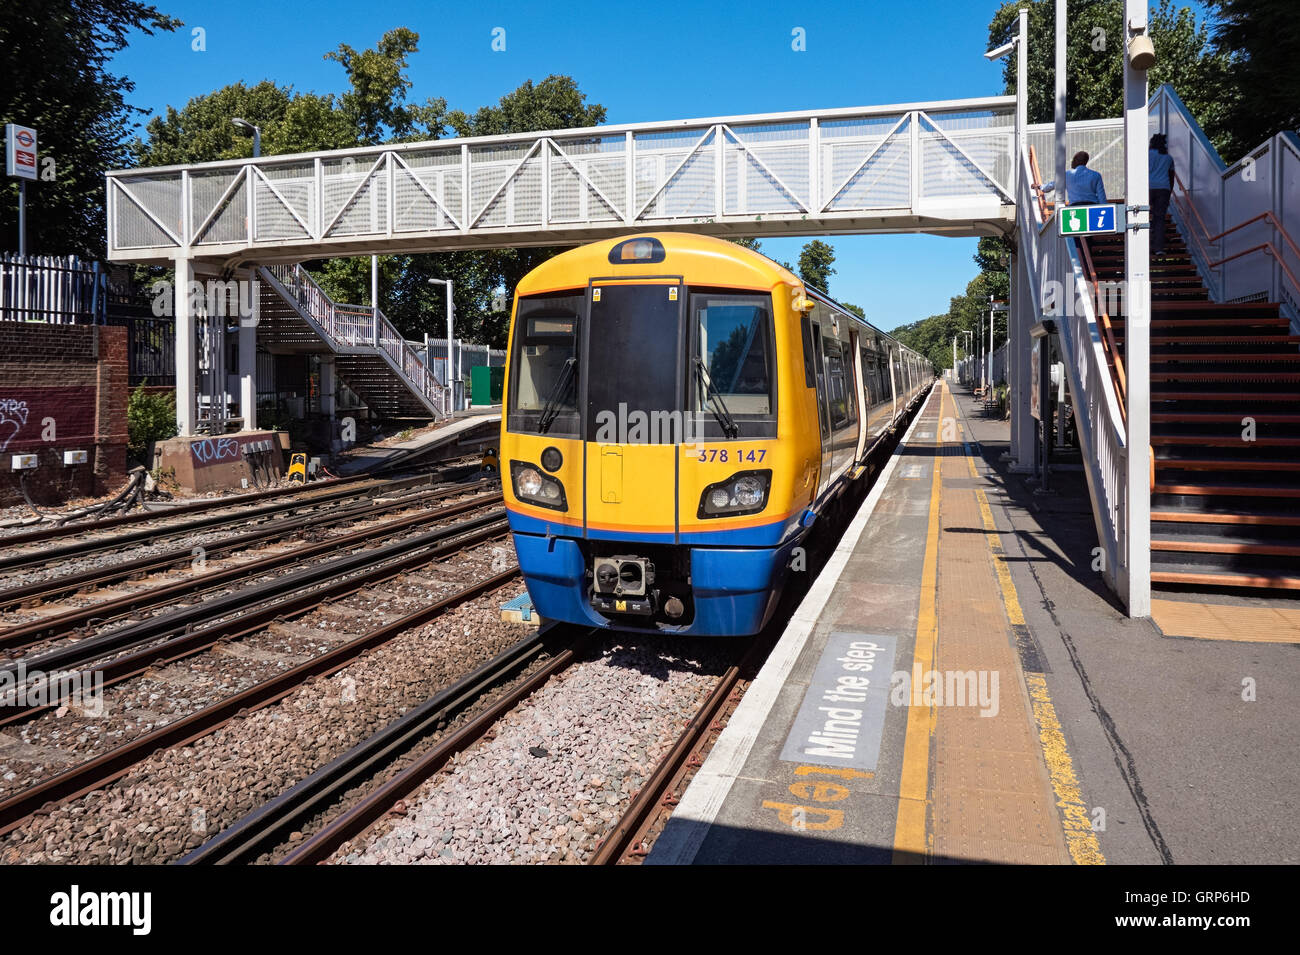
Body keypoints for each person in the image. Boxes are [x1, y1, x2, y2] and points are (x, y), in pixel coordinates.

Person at [1037, 151, 1107, 205]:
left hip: (1075, 207)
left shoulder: (1067, 175)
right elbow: (1102, 198)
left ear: (1076, 160)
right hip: (1092, 207)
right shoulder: (1096, 175)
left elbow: (1051, 186)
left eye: (1073, 159)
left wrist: (1040, 187)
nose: (1072, 162)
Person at [1149, 134, 1175, 256]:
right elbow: (1171, 177)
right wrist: (1169, 192)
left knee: (1142, 216)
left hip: (1147, 188)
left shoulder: (1146, 156)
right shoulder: (1168, 158)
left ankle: (1145, 244)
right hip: (1163, 189)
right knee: (1159, 218)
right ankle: (1158, 248)